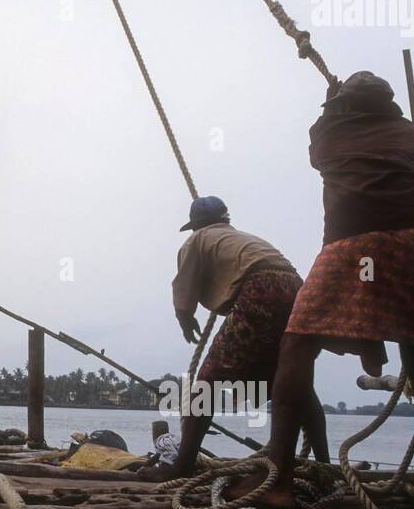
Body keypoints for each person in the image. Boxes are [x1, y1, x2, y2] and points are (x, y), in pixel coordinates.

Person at [230, 71, 414, 509]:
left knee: (297, 346)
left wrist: (332, 100)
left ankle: (278, 479)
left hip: (350, 245)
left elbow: (317, 134)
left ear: (345, 108)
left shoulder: (330, 137)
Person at [136, 196, 326, 482]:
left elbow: (183, 288)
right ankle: (325, 465)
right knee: (290, 380)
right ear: (225, 219)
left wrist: (184, 318)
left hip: (260, 288)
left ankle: (182, 465)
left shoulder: (197, 239)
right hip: (297, 290)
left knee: (208, 381)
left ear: (195, 225)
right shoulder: (243, 239)